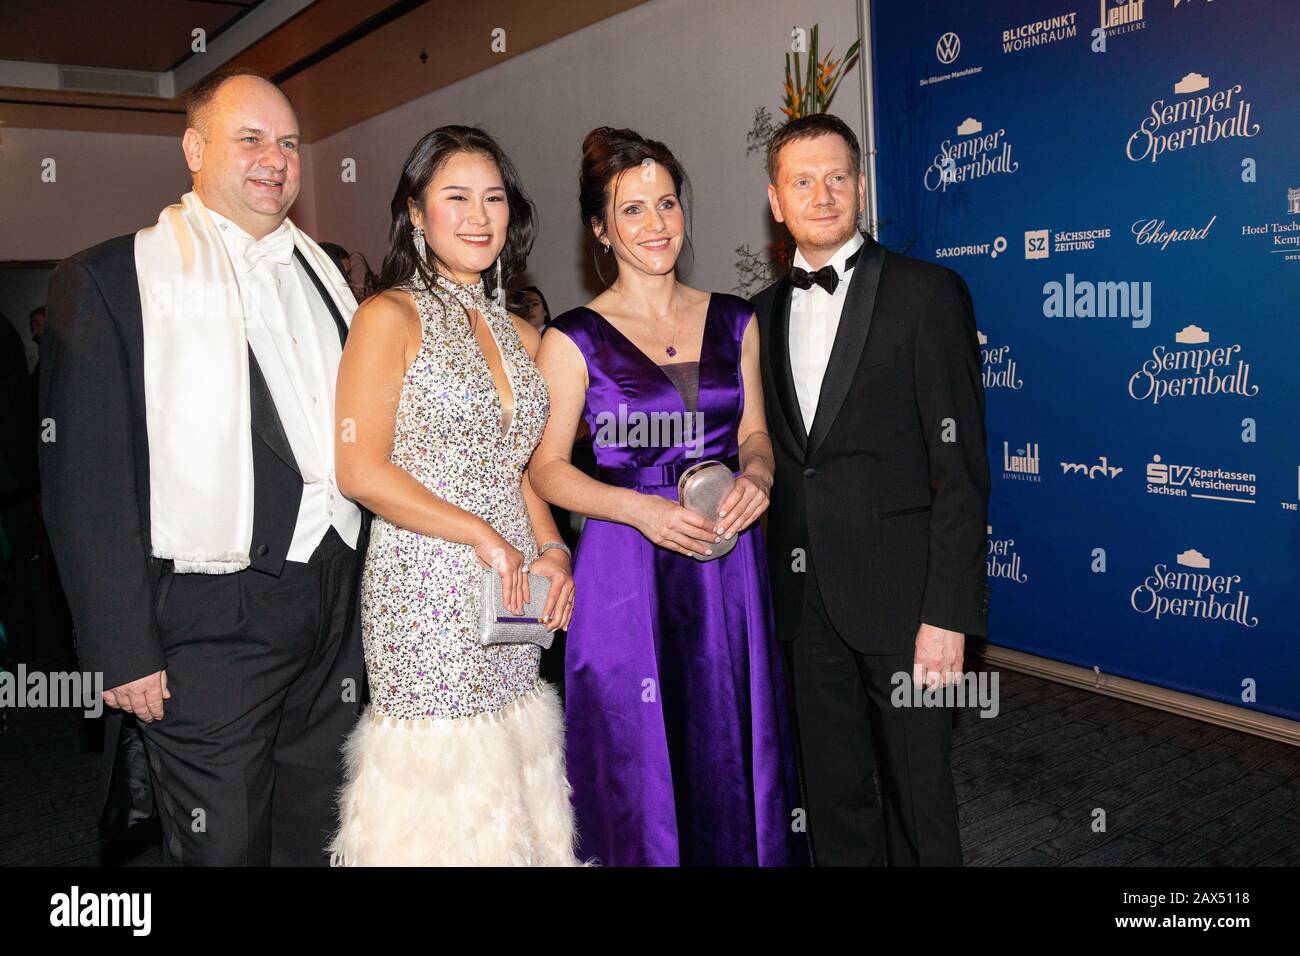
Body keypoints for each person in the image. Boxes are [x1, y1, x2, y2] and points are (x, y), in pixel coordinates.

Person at [39, 67, 367, 865]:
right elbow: (87, 480)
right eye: (250, 138)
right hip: (209, 623)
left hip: (336, 604)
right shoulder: (113, 280)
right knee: (221, 845)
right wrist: (121, 646)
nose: (275, 158)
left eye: (289, 142)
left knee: (320, 831)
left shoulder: (330, 275)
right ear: (194, 148)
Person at [530, 126, 805, 866]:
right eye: (632, 211)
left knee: (732, 741)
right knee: (637, 757)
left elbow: (755, 436)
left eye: (667, 204)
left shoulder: (735, 318)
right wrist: (639, 509)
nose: (656, 225)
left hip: (729, 566)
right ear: (600, 229)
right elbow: (546, 470)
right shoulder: (574, 339)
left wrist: (758, 479)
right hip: (625, 566)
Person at [328, 125, 580, 866]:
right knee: (441, 788)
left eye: (494, 198)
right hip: (425, 585)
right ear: (416, 212)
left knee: (511, 765)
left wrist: (555, 550)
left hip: (511, 587)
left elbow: (523, 471)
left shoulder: (524, 333)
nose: (478, 216)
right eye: (456, 197)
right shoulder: (387, 316)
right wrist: (478, 532)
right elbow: (360, 470)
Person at [750, 113, 990, 866]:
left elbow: (962, 470)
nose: (822, 195)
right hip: (804, 603)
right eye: (802, 181)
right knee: (833, 799)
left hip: (905, 604)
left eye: (837, 177)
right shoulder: (756, 318)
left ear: (860, 187)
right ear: (775, 201)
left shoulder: (927, 294)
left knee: (922, 801)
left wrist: (948, 614)